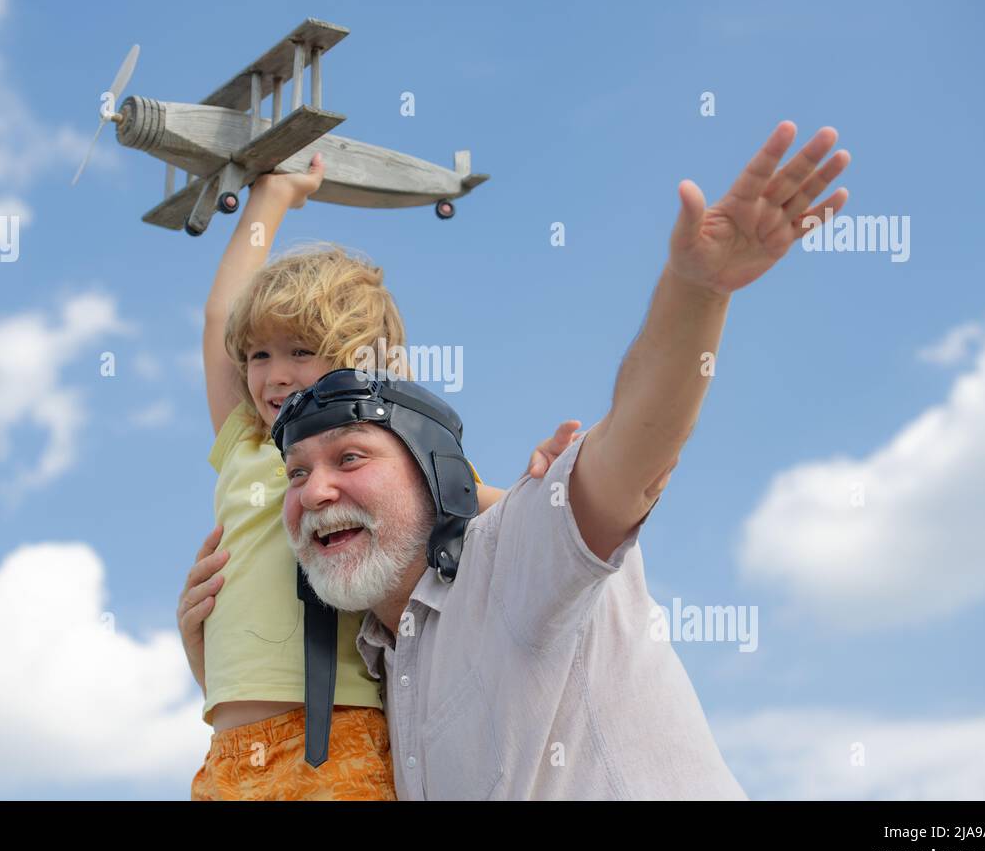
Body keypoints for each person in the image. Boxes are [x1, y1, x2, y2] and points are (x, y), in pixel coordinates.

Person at [183, 120, 849, 799]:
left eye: (350, 457)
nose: (315, 489)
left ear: (429, 463)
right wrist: (215, 661)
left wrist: (697, 293)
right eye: (296, 472)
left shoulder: (517, 559)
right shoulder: (386, 667)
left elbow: (633, 448)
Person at [181, 152, 580, 800]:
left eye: (300, 351)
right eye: (258, 355)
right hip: (227, 758)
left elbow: (480, 507)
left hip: (339, 742)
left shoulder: (388, 451)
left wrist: (551, 486)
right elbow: (218, 320)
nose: (274, 375)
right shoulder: (248, 445)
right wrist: (273, 196)